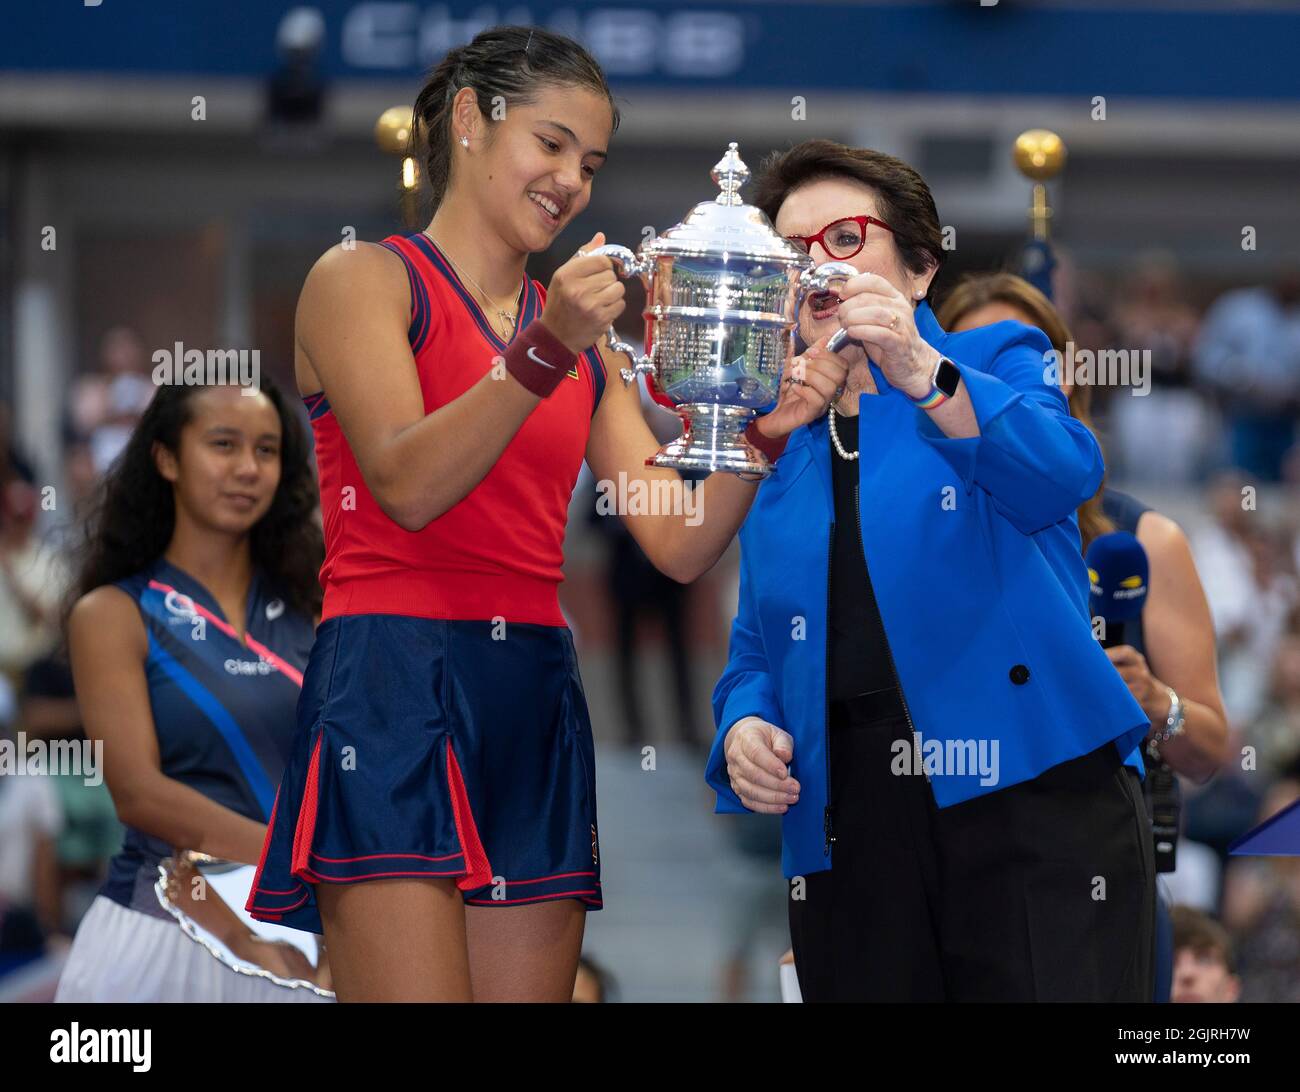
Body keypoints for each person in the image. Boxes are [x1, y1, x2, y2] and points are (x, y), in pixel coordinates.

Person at [245, 26, 846, 1002]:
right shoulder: (360, 280)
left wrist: (758, 437)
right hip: (388, 680)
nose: (571, 181)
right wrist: (543, 348)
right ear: (470, 121)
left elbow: (677, 540)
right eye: (552, 144)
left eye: (591, 164)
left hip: (532, 684)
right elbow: (406, 483)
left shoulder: (587, 347)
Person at [706, 139, 1156, 1002]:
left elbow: (1062, 474)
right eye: (791, 251)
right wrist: (745, 724)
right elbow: (757, 644)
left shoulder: (993, 361)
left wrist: (919, 369)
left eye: (845, 238)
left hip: (1030, 785)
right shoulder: (773, 434)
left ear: (919, 269)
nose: (817, 267)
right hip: (846, 817)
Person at [939, 272, 1232, 1002]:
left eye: (1023, 360)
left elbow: (1210, 748)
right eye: (972, 363)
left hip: (1099, 877)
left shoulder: (1145, 541)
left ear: (1066, 383)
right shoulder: (918, 539)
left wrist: (1156, 702)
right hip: (948, 865)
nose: (998, 384)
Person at [55, 379, 329, 1002]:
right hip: (162, 929)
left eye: (266, 450)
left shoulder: (316, 608)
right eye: (223, 444)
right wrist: (296, 856)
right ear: (167, 459)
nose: (248, 469)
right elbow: (138, 794)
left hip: (303, 934)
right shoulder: (113, 614)